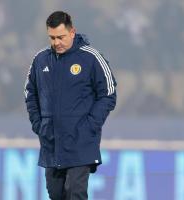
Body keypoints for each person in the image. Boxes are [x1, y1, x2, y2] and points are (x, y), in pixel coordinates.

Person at [24, 11, 117, 200]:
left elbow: (108, 93)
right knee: (56, 194)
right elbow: (29, 92)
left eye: (61, 37)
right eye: (52, 37)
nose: (56, 42)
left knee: (76, 192)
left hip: (80, 142)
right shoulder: (40, 59)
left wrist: (90, 125)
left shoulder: (91, 58)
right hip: (52, 143)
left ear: (72, 32)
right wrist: (38, 124)